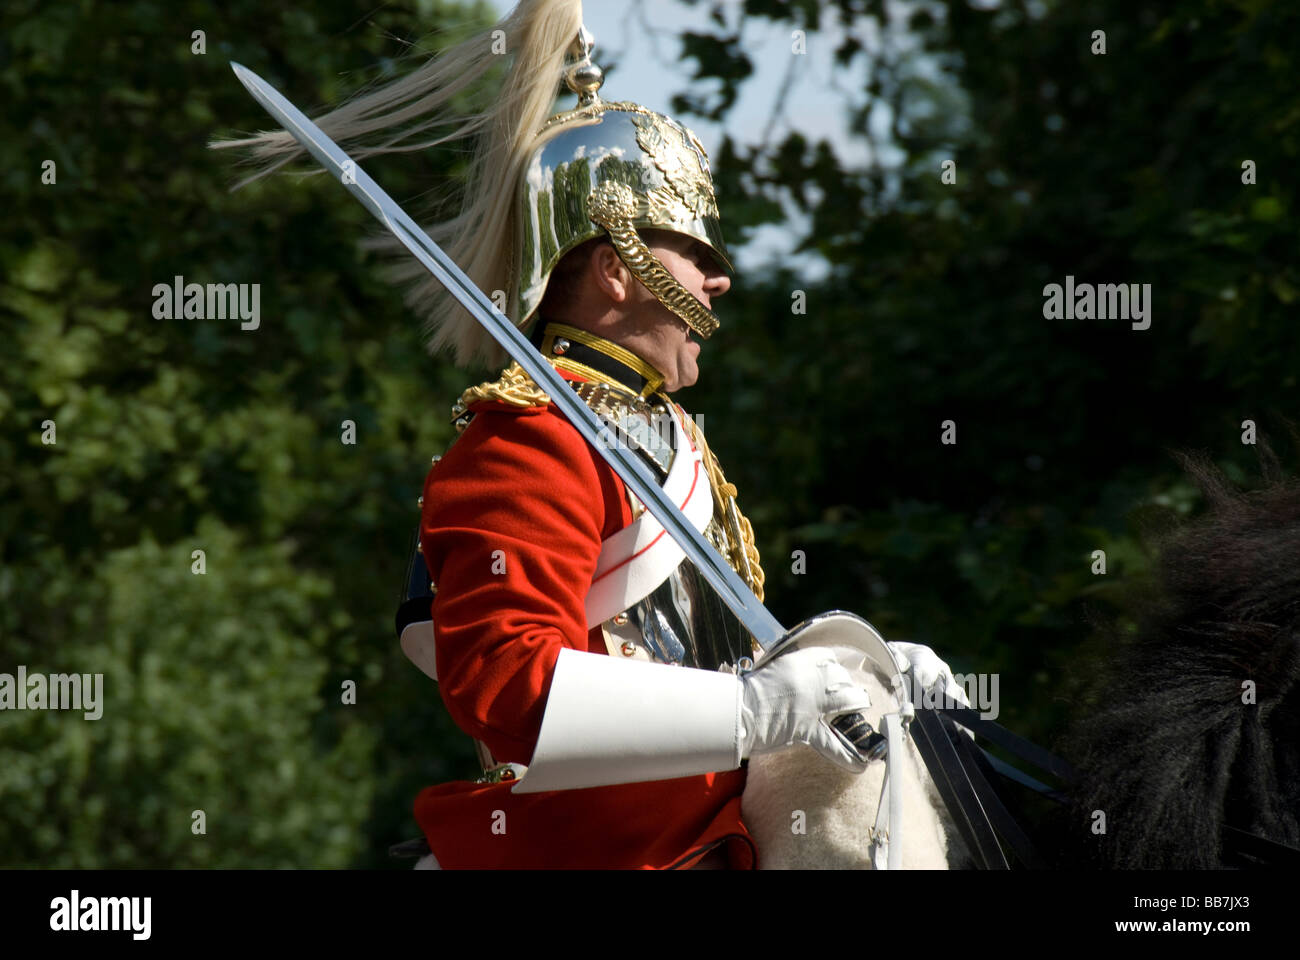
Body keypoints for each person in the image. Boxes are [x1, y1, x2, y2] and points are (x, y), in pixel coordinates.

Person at [226, 0, 963, 869]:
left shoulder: (663, 433)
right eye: (699, 251)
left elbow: (701, 661)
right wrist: (758, 710)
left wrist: (862, 679)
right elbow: (506, 683)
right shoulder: (528, 439)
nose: (721, 280)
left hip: (716, 830)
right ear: (616, 268)